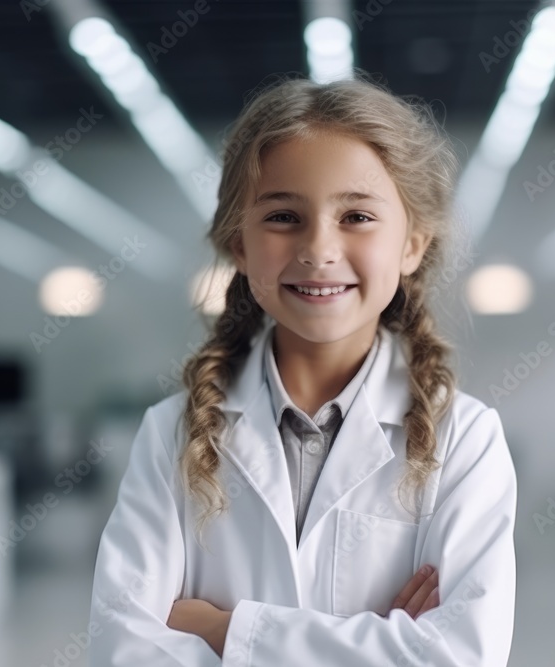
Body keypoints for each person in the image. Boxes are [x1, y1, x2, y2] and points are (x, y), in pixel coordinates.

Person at [89, 70, 518, 666]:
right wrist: (374, 642)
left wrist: (225, 631)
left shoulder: (465, 440)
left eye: (358, 217)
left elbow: (459, 657)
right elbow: (123, 650)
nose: (319, 250)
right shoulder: (171, 435)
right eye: (284, 217)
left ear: (412, 244)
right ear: (239, 244)